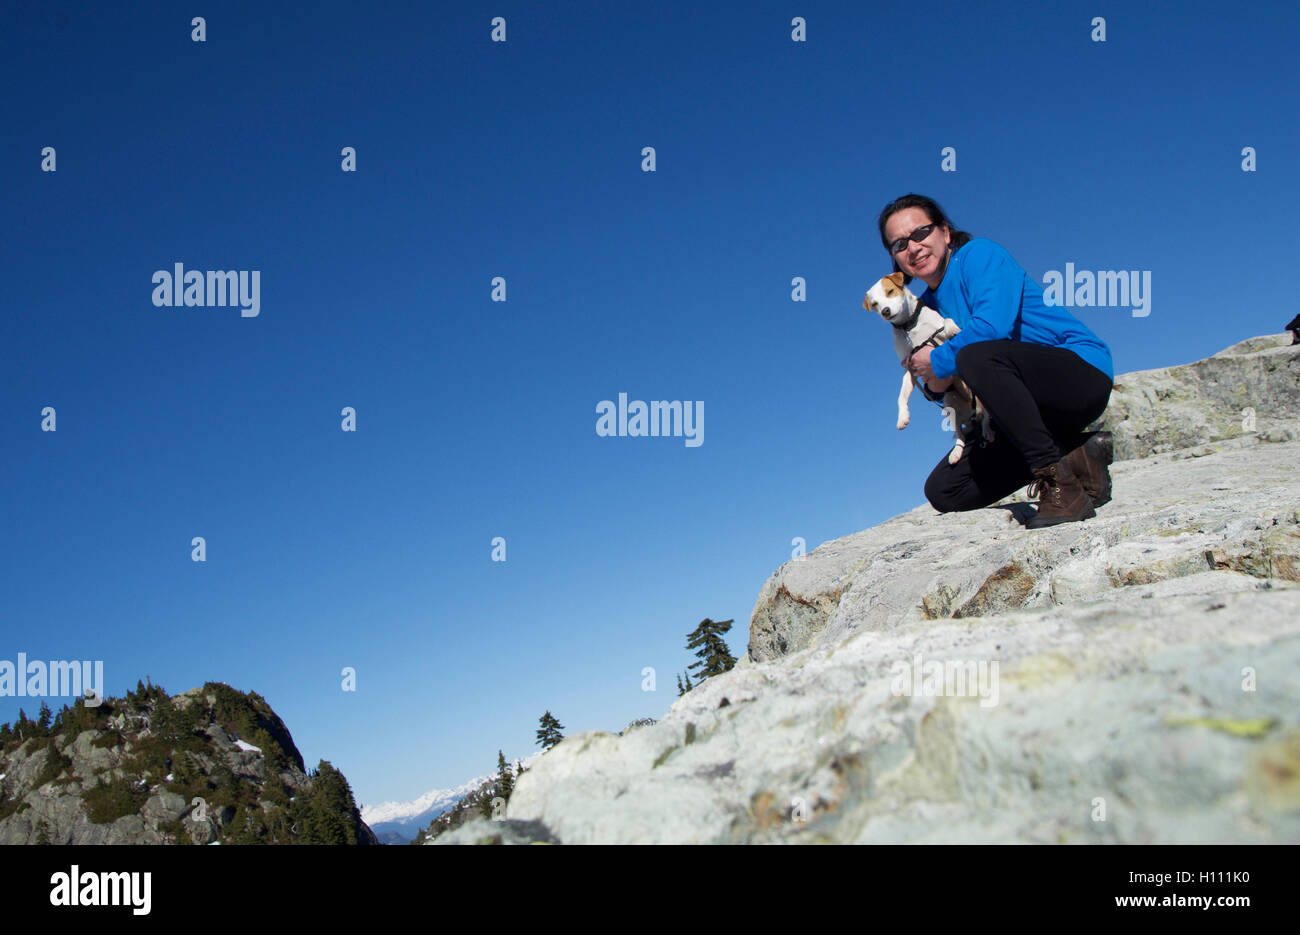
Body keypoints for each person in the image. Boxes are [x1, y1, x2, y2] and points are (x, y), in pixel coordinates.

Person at [877, 194, 1114, 528]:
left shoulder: (980, 255)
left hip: (1080, 377)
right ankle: (1078, 455)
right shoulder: (924, 309)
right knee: (945, 490)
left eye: (920, 233)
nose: (912, 247)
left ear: (944, 232)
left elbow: (991, 328)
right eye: (899, 244)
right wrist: (933, 382)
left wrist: (939, 361)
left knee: (976, 354)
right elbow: (937, 380)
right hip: (1025, 416)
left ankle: (1061, 488)